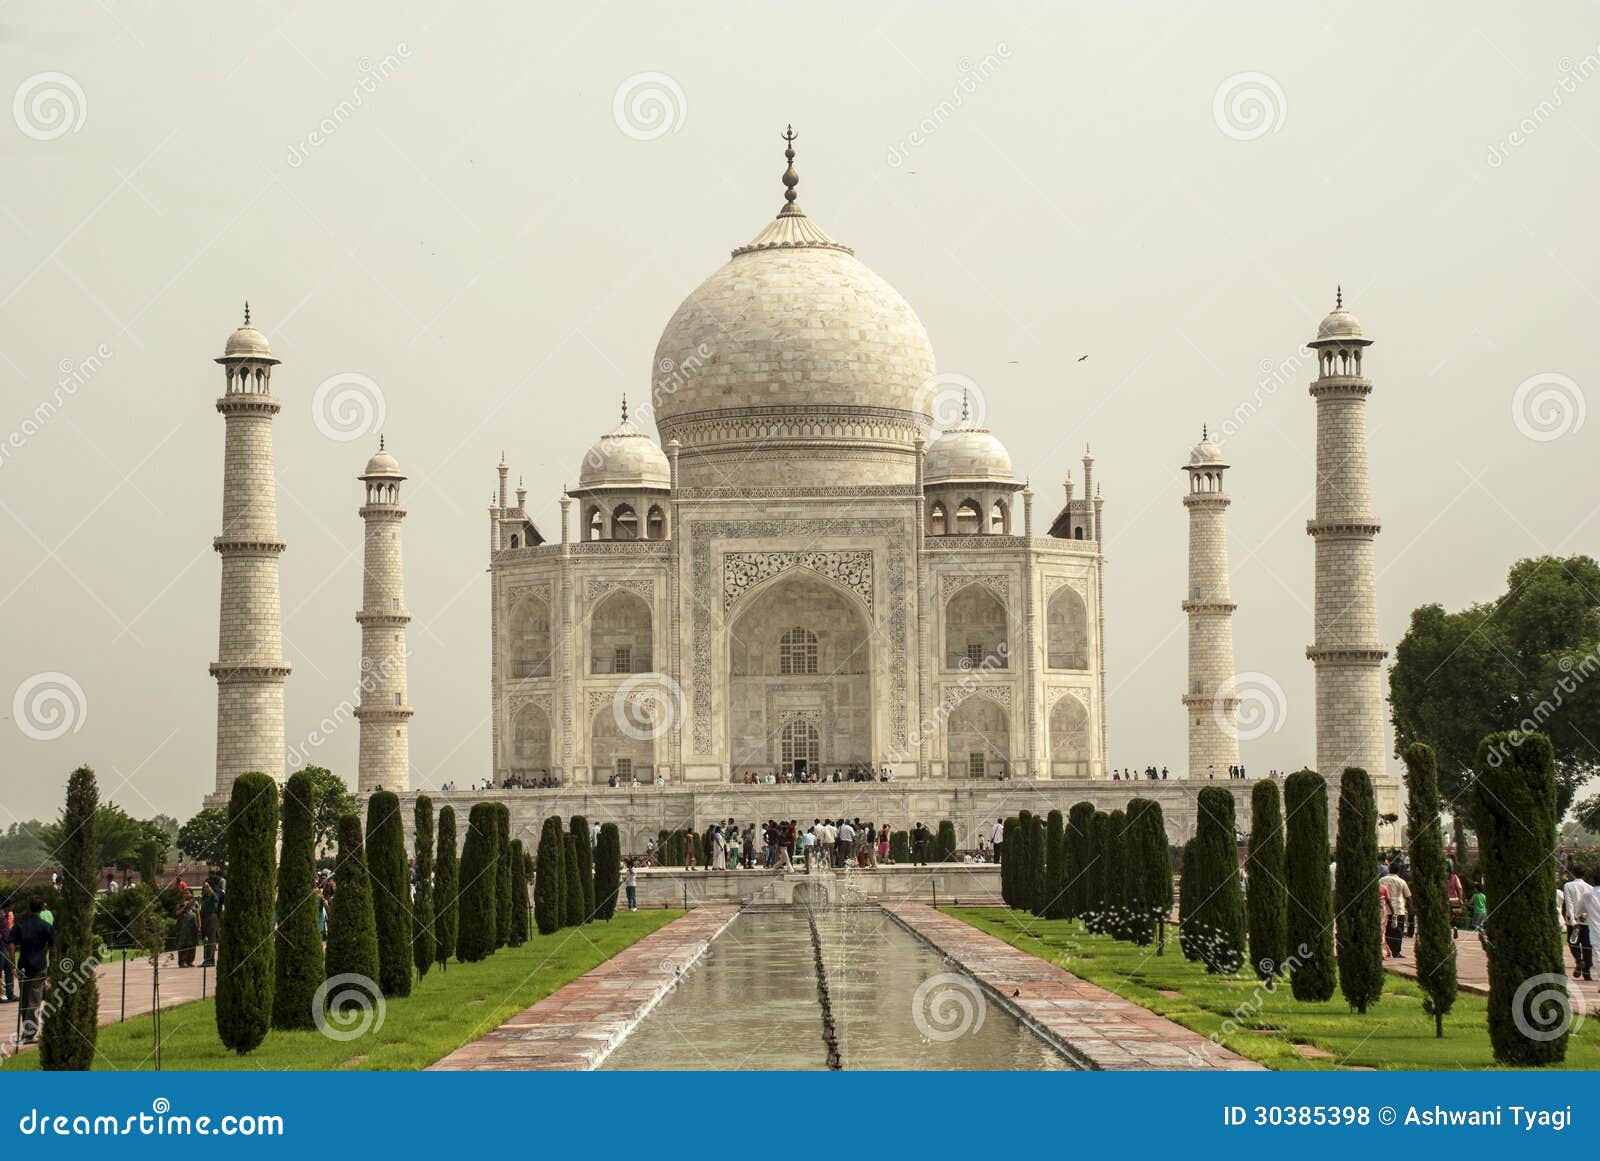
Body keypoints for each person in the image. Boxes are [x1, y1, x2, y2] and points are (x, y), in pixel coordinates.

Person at [9, 898, 54, 1045]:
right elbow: (53, 947)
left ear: (29, 908)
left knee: (25, 999)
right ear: (42, 909)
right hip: (39, 966)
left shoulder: (20, 925)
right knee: (34, 1000)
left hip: (23, 966)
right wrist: (53, 964)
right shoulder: (45, 926)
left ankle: (27, 1030)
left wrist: (12, 964)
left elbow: (11, 944)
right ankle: (29, 1034)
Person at [1564, 866, 1593, 980]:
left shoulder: (1568, 885)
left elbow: (1569, 903)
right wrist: (1583, 916)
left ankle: (1579, 960)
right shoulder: (1590, 888)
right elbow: (1589, 906)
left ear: (1573, 873)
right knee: (1587, 945)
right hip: (1585, 920)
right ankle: (1587, 973)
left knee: (1573, 942)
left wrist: (1572, 920)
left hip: (1574, 921)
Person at [1378, 865, 1410, 958]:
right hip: (1399, 909)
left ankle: (1387, 951)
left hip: (1385, 910)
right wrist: (1411, 907)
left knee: (1386, 931)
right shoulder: (1401, 881)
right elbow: (1408, 896)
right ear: (1398, 871)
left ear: (1389, 870)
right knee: (1398, 931)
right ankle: (1396, 952)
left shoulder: (1381, 880)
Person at [200, 880, 222, 966]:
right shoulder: (205, 897)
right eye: (204, 887)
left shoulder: (214, 896)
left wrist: (211, 890)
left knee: (211, 940)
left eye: (207, 887)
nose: (205, 889)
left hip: (212, 920)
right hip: (206, 920)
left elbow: (215, 898)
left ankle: (209, 960)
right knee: (207, 940)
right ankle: (209, 960)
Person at [175, 892, 198, 968]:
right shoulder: (180, 904)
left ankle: (190, 961)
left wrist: (199, 926)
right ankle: (182, 962)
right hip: (183, 927)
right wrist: (184, 906)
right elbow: (177, 913)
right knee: (183, 944)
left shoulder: (195, 903)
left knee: (192, 944)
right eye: (185, 894)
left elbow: (198, 915)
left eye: (188, 893)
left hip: (193, 926)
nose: (187, 895)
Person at [0, 897, 14, 1003]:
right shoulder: (2, 915)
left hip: (3, 945)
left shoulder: (3, 914)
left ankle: (9, 993)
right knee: (4, 970)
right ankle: (5, 994)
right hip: (2, 946)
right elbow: (6, 934)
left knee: (7, 969)